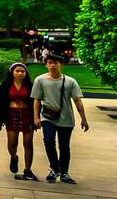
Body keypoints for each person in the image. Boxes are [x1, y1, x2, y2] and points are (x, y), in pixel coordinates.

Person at [32, 53, 89, 184]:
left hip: (66, 118)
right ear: (45, 64)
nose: (53, 65)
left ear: (60, 64)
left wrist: (83, 119)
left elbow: (77, 101)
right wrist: (36, 117)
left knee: (64, 147)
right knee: (49, 141)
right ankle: (55, 168)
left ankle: (64, 173)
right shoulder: (40, 80)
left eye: (56, 62)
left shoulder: (70, 81)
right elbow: (36, 100)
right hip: (47, 117)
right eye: (50, 62)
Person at [0, 62, 39, 181]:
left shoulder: (30, 86)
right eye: (17, 71)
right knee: (12, 144)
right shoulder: (5, 86)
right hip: (11, 115)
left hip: (27, 115)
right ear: (12, 72)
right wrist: (1, 119)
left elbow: (37, 102)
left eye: (22, 71)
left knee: (28, 143)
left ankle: (27, 170)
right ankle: (14, 157)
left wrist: (36, 117)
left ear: (26, 73)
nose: (20, 73)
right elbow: (1, 104)